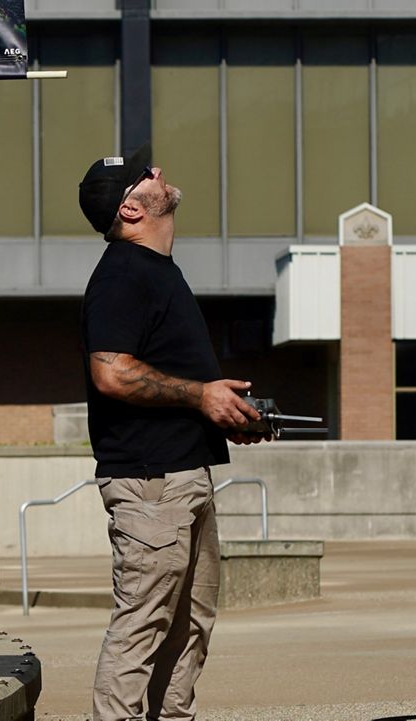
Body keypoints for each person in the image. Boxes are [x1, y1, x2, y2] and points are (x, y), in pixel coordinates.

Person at [77, 143, 268, 721]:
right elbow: (110, 372)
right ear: (131, 209)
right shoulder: (122, 274)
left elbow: (170, 381)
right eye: (145, 175)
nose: (158, 172)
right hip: (150, 484)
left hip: (184, 475)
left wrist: (223, 413)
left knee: (189, 627)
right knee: (141, 626)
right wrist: (201, 396)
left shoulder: (159, 271)